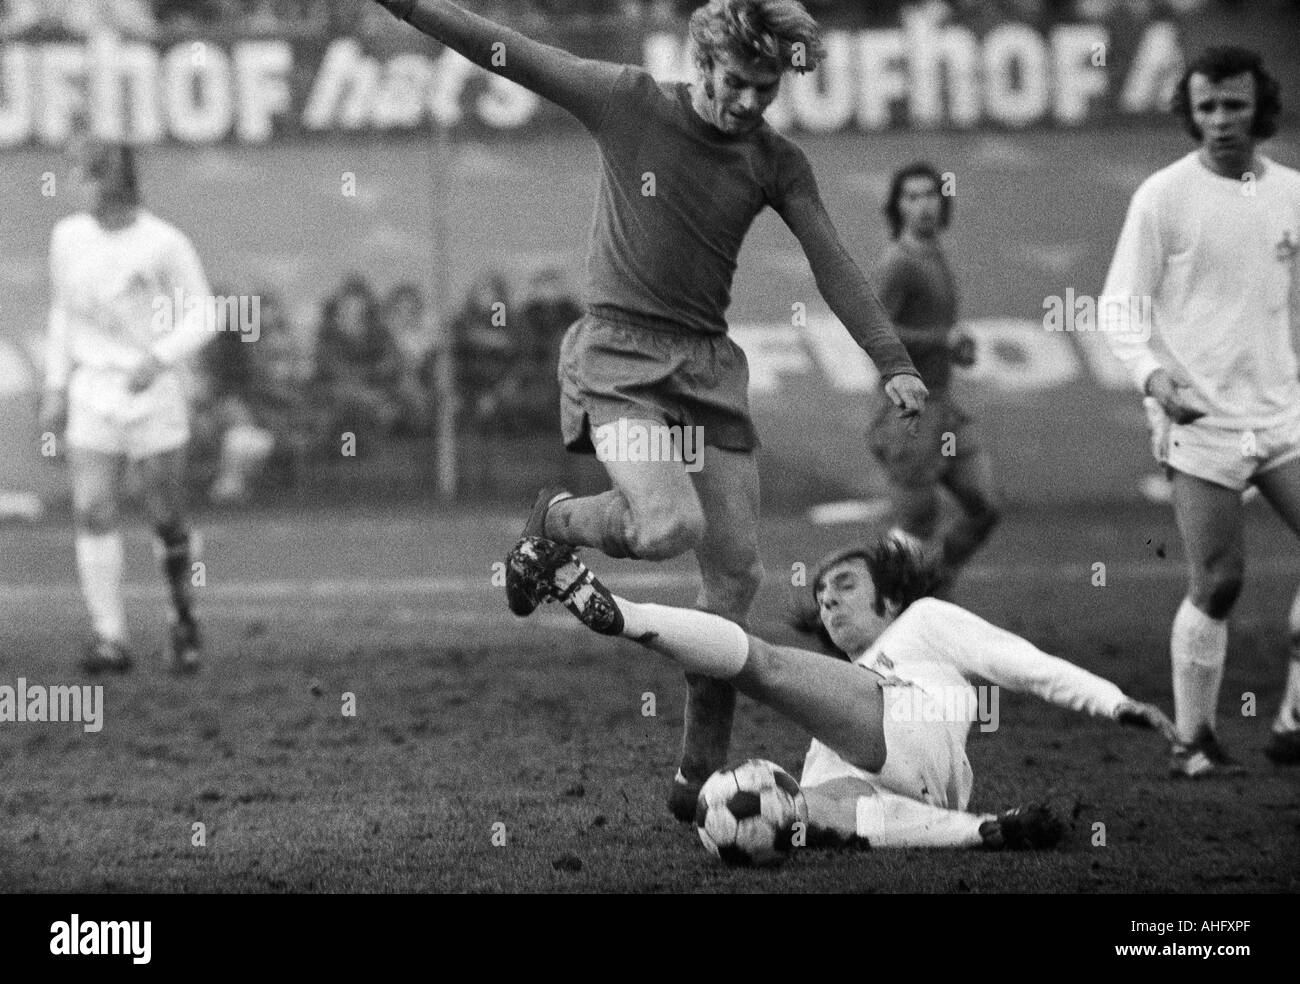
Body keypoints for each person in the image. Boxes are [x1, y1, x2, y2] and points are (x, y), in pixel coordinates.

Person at [374, 0, 928, 820]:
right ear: (702, 61)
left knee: (735, 579)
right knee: (667, 525)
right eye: (736, 83)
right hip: (621, 356)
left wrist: (893, 362)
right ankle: (555, 524)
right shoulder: (628, 99)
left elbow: (833, 260)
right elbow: (505, 49)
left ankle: (694, 780)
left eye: (764, 90)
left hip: (706, 368)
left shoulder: (775, 160)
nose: (746, 103)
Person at [505, 531, 1175, 848]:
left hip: (907, 719)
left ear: (891, 593)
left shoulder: (925, 622)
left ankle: (616, 612)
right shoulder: (842, 688)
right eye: (822, 596)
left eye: (846, 585)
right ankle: (988, 832)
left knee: (758, 664)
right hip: (926, 793)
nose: (829, 602)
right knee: (798, 813)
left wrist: (1113, 701)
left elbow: (1021, 662)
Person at [1100, 45, 1300, 773]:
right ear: (1190, 111)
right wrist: (1154, 377)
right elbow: (1119, 307)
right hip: (1201, 422)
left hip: (1283, 416)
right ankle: (1195, 737)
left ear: (1261, 108)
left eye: (1235, 105)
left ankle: (1291, 720)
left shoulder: (1292, 193)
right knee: (1218, 582)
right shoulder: (1161, 196)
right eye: (1207, 106)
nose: (1220, 120)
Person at [39, 141, 213, 674]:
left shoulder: (164, 244)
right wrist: (56, 386)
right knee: (92, 509)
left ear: (110, 180)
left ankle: (183, 618)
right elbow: (63, 314)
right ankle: (109, 637)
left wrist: (158, 359)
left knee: (165, 518)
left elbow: (203, 314)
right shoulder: (67, 237)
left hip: (151, 394)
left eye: (81, 175)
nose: (73, 185)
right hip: (93, 390)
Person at [868, 162, 999, 594]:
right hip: (908, 413)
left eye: (930, 195)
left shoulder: (934, 252)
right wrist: (941, 339)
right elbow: (875, 332)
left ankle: (930, 587)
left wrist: (953, 347)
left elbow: (933, 332)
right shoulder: (898, 262)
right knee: (915, 525)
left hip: (943, 407)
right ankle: (872, 605)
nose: (923, 205)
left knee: (985, 508)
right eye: (912, 196)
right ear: (897, 206)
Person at [313, 274, 403, 451]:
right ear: (338, 313)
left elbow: (392, 367)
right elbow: (334, 376)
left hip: (383, 411)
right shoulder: (328, 341)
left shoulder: (381, 338)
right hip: (342, 415)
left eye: (359, 314)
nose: (353, 319)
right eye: (346, 312)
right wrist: (368, 394)